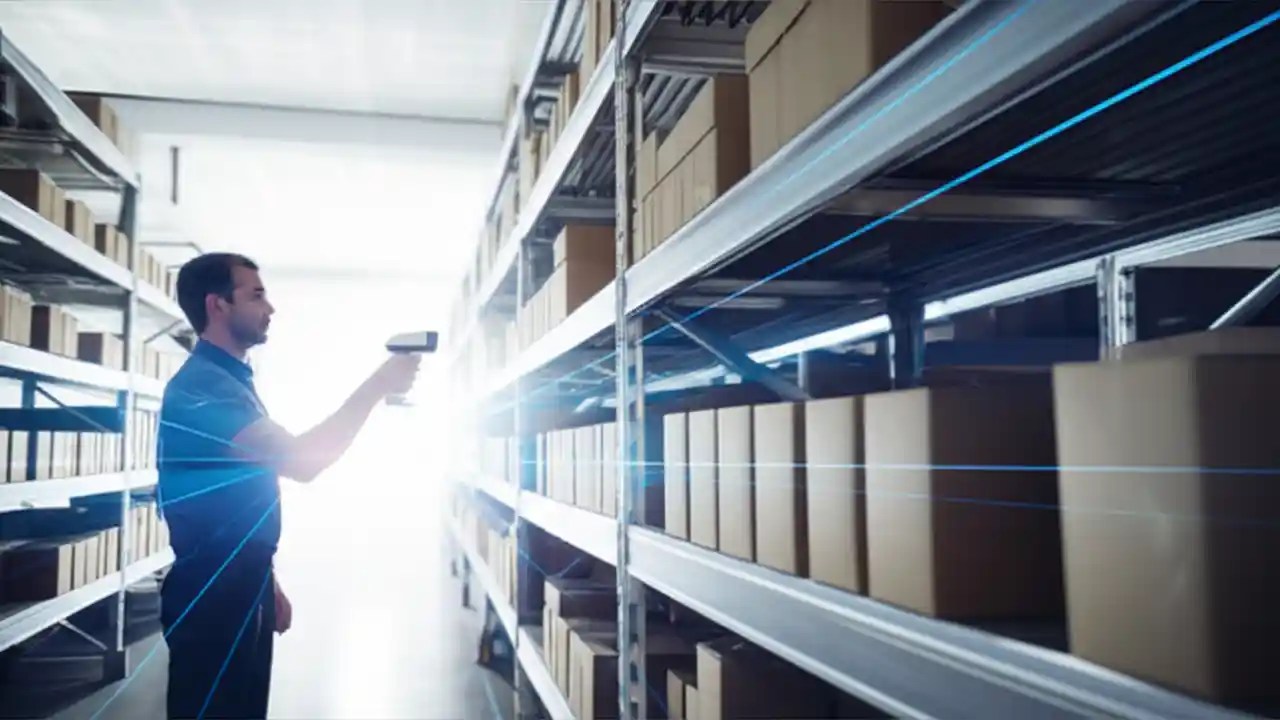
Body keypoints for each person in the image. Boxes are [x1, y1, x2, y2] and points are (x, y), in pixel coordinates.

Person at [156, 253, 420, 719]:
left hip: (240, 583)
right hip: (214, 598)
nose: (270, 308)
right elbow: (301, 461)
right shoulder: (204, 388)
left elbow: (237, 495)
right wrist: (378, 384)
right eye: (256, 295)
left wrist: (264, 578)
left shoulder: (229, 380)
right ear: (217, 305)